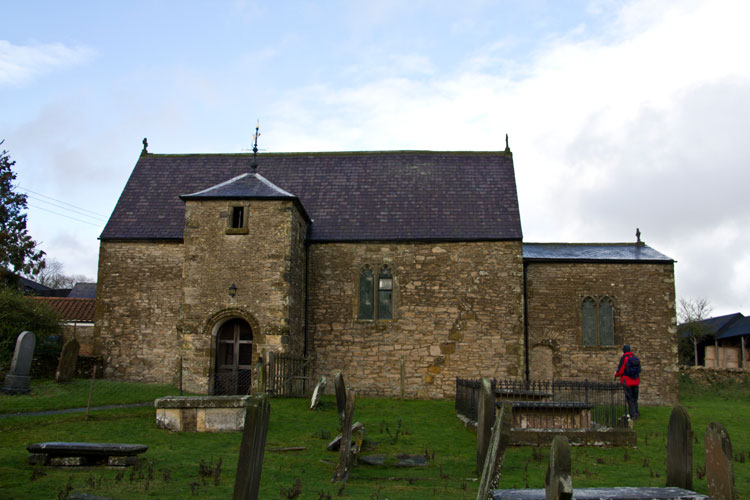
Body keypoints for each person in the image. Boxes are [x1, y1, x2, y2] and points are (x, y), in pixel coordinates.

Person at [614, 344, 640, 420]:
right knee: (635, 398)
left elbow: (621, 370)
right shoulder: (635, 358)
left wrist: (616, 374)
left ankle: (633, 415)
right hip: (636, 381)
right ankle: (637, 413)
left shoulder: (624, 358)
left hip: (627, 381)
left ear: (624, 351)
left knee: (630, 398)